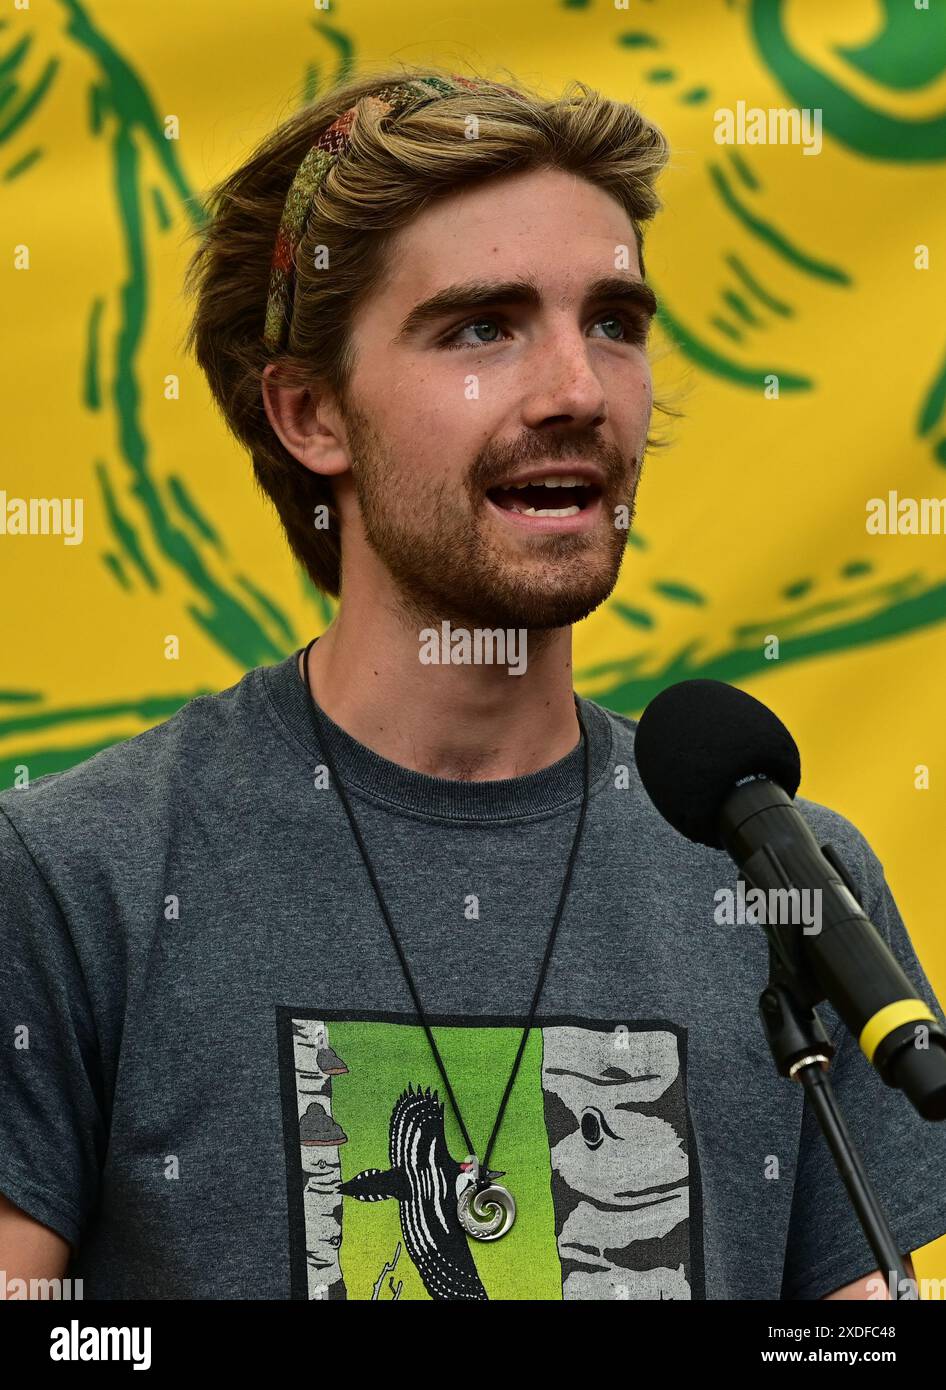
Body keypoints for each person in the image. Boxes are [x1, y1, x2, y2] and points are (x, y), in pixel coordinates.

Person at [1, 64, 944, 1302]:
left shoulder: (779, 874)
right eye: (480, 327)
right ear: (309, 414)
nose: (575, 391)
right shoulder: (78, 877)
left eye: (612, 320)